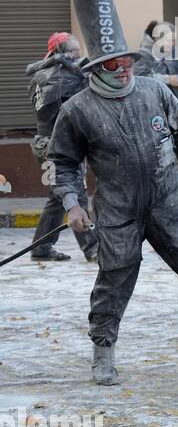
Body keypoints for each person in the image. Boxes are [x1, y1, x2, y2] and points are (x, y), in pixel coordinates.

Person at [50, 0, 178, 385]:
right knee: (115, 278)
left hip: (170, 201)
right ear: (95, 68)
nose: (123, 69)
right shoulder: (77, 109)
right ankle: (102, 354)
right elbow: (63, 163)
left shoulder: (155, 91)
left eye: (126, 61)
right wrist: (72, 204)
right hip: (117, 209)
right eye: (113, 64)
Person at [25, 32, 98, 263]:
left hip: (44, 143)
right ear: (60, 53)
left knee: (57, 199)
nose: (78, 55)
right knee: (75, 193)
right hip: (59, 147)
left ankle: (41, 247)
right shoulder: (63, 76)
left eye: (79, 50)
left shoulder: (40, 74)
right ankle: (93, 248)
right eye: (73, 52)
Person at [138, 21, 178, 109]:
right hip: (154, 108)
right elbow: (140, 80)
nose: (172, 44)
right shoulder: (144, 55)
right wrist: (169, 79)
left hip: (177, 106)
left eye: (173, 41)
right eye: (168, 40)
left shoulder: (176, 52)